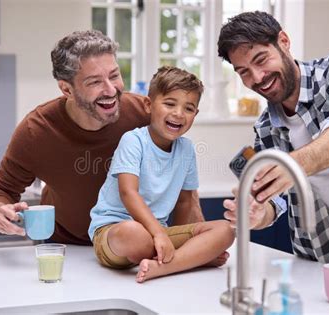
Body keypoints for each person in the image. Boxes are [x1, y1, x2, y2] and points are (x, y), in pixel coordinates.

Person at [217, 11, 329, 284]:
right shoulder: (267, 128)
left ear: (284, 41)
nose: (257, 77)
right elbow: (277, 203)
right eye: (243, 71)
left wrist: (291, 166)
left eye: (261, 59)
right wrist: (258, 214)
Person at [0, 30, 208, 247]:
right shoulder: (37, 130)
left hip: (135, 249)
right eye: (94, 82)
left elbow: (185, 192)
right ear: (67, 89)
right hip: (67, 245)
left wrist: (196, 248)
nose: (111, 90)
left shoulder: (145, 114)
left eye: (114, 75)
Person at [88, 66, 235, 283]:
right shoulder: (133, 141)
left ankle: (163, 266)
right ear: (148, 105)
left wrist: (185, 239)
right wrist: (161, 236)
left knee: (225, 230)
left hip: (160, 235)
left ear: (195, 114)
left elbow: (185, 202)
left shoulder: (186, 149)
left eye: (189, 108)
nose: (178, 113)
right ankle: (184, 261)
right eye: (169, 104)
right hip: (115, 235)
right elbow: (128, 193)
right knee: (134, 233)